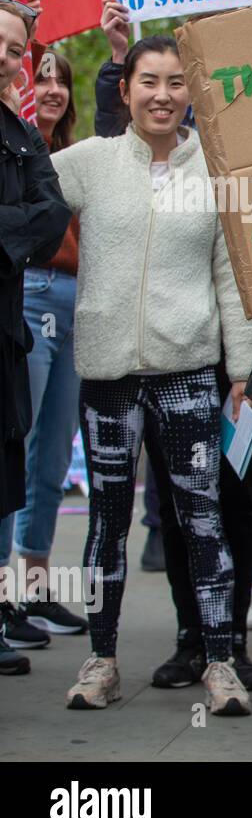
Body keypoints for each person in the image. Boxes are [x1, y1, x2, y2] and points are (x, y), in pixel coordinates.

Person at [52, 35, 252, 715]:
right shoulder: (90, 162)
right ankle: (101, 659)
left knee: (203, 520)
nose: (163, 95)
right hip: (108, 378)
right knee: (105, 525)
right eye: (149, 81)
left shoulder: (217, 172)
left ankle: (221, 663)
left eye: (177, 82)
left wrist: (244, 371)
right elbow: (22, 183)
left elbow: (234, 276)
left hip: (188, 376)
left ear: (191, 92)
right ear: (126, 89)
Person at [0, 50, 89, 649]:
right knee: (14, 444)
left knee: (52, 455)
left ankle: (30, 585)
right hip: (26, 295)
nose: (50, 86)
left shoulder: (75, 153)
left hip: (73, 305)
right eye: (39, 74)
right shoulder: (15, 144)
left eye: (60, 78)